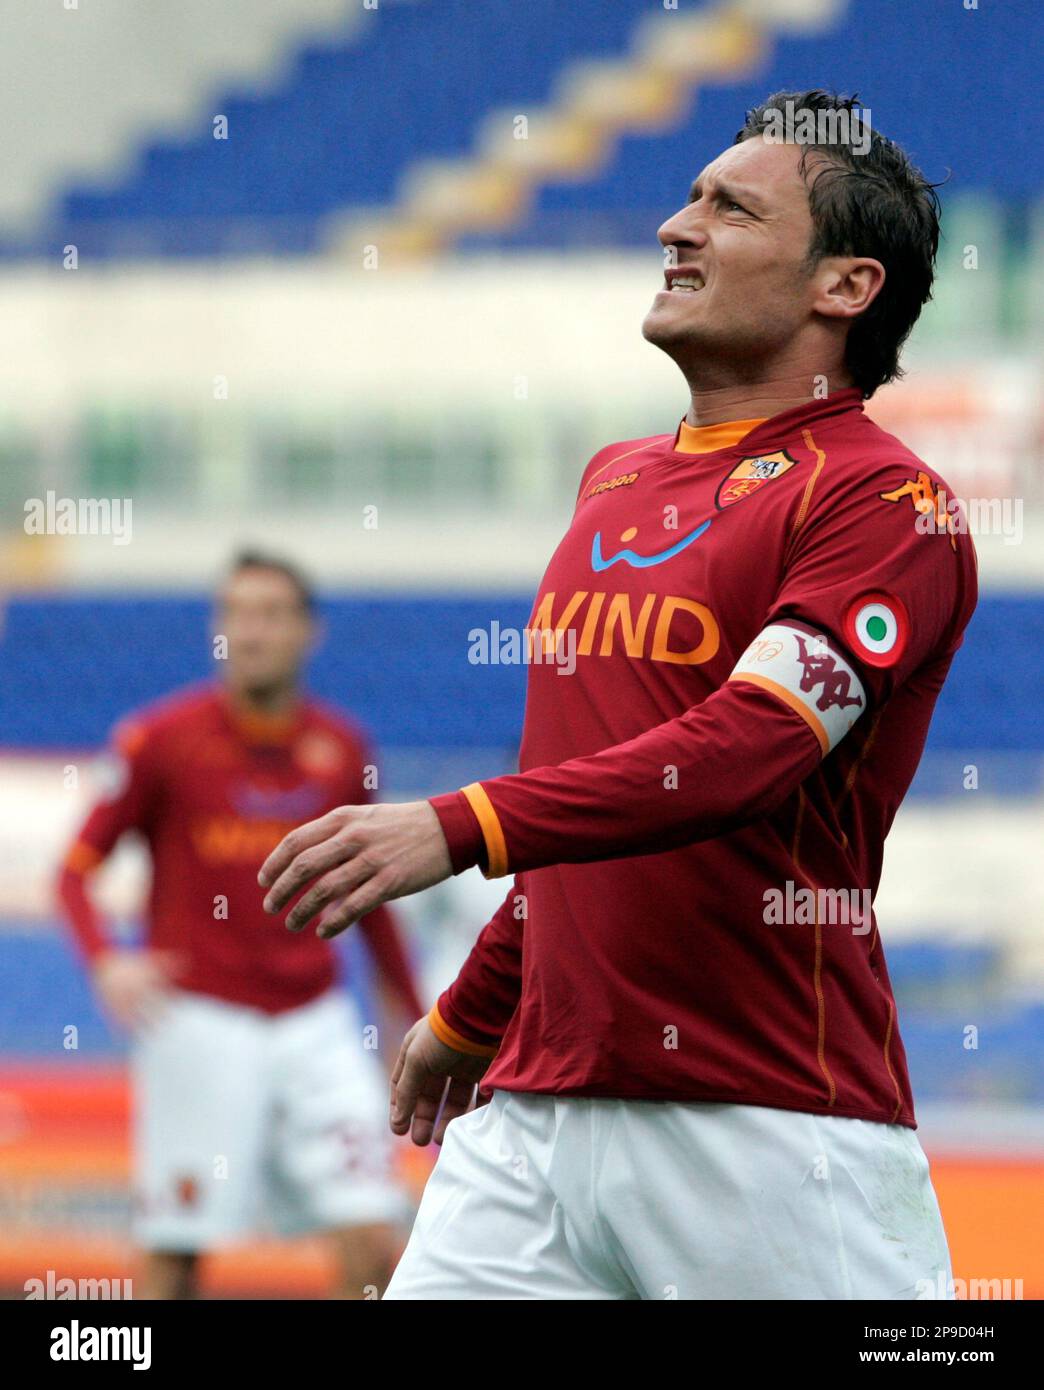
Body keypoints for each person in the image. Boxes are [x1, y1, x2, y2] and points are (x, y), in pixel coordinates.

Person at [259, 91, 977, 1300]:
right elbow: (603, 790)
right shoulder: (616, 479)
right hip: (531, 1116)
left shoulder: (884, 503)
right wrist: (477, 1004)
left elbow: (746, 750)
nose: (674, 226)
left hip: (767, 1122)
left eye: (727, 207)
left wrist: (455, 825)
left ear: (844, 288)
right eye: (690, 195)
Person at [57, 551, 423, 1299]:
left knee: (374, 1237)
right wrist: (106, 959)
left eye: (269, 614)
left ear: (307, 631)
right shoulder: (158, 740)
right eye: (235, 614)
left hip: (316, 1023)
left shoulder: (341, 748)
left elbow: (374, 895)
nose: (249, 633)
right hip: (198, 1022)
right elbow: (73, 872)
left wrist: (411, 1013)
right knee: (175, 1248)